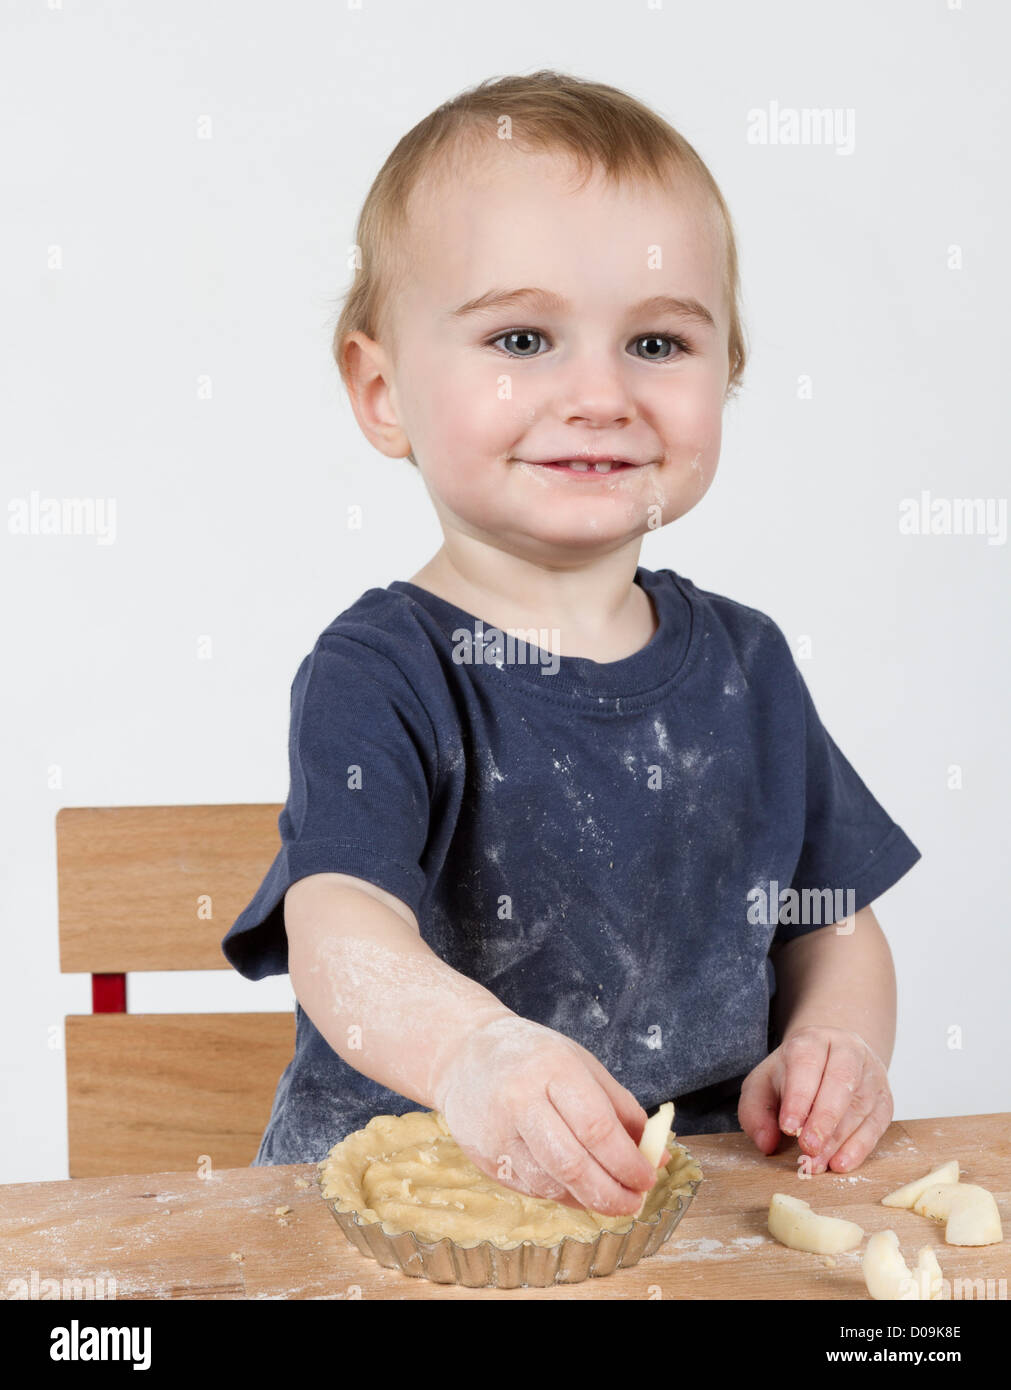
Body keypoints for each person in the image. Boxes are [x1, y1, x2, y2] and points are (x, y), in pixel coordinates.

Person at [222, 70, 920, 1218]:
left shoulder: (751, 667)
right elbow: (340, 931)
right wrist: (471, 1055)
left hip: (672, 1217)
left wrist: (837, 1042)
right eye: (525, 336)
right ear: (383, 388)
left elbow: (831, 920)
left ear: (726, 374)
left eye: (656, 342)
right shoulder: (384, 671)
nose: (598, 391)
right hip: (403, 1217)